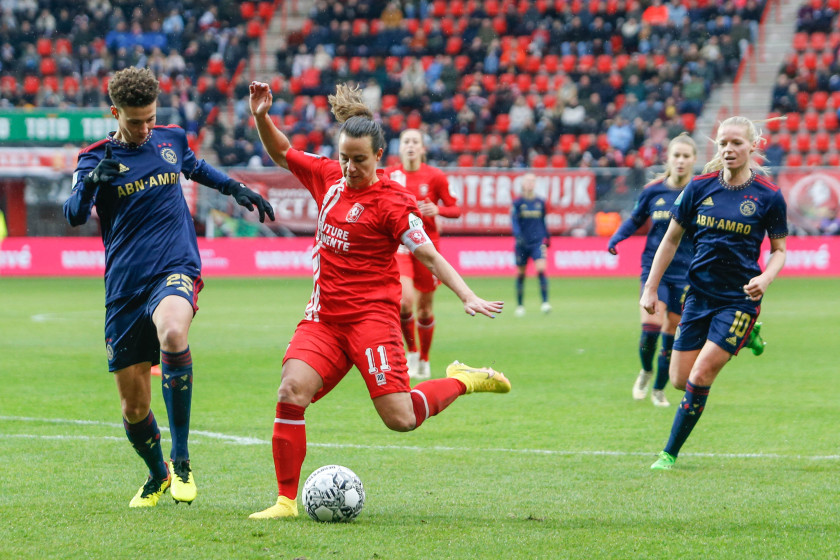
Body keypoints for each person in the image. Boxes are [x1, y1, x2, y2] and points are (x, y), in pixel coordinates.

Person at [246, 81, 511, 520]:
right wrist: (260, 116)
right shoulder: (330, 178)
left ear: (378, 158)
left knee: (401, 418)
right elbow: (283, 153)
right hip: (325, 321)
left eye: (359, 160)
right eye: (344, 158)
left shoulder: (392, 204)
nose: (349, 167)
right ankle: (285, 502)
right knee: (291, 391)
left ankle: (465, 379)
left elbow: (427, 253)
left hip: (372, 321)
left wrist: (467, 295)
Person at [63, 67, 274, 507]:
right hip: (124, 285)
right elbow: (73, 214)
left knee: (174, 333)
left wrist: (237, 189)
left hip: (175, 266)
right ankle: (157, 473)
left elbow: (196, 168)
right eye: (134, 121)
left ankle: (181, 458)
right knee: (133, 408)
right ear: (114, 112)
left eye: (149, 119)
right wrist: (90, 186)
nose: (143, 129)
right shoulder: (93, 157)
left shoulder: (170, 138)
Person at [641, 116, 787, 470]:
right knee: (678, 380)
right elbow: (671, 239)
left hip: (740, 299)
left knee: (700, 376)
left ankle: (669, 453)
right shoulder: (699, 187)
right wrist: (650, 286)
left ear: (753, 146)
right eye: (723, 143)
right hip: (699, 296)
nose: (728, 149)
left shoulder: (768, 197)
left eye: (736, 143)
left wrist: (765, 278)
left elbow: (779, 250)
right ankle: (748, 336)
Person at [608, 134, 698, 407]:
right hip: (654, 270)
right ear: (668, 158)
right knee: (650, 329)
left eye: (686, 156)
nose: (681, 161)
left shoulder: (700, 192)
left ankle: (659, 388)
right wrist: (616, 238)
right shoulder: (653, 192)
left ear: (693, 160)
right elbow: (635, 220)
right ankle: (646, 370)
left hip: (686, 273)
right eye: (676, 155)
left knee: (671, 333)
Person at [384, 128, 461, 380]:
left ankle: (425, 360)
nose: (410, 146)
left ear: (422, 148)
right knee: (405, 302)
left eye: (415, 142)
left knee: (425, 311)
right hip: (402, 247)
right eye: (406, 141)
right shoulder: (389, 175)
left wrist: (437, 211)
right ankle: (413, 352)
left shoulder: (435, 176)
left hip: (427, 249)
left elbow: (455, 209)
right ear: (400, 147)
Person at [511, 173, 550, 317]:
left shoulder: (540, 202)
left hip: (537, 242)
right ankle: (520, 305)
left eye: (533, 181)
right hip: (522, 243)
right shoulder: (517, 203)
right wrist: (518, 236)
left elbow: (543, 221)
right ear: (523, 184)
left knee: (541, 269)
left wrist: (547, 237)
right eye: (528, 181)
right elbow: (514, 221)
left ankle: (545, 303)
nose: (530, 183)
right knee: (521, 274)